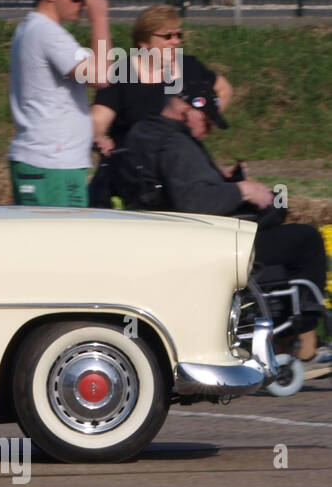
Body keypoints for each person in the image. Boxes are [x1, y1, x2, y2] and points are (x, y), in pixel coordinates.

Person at [123, 80, 328, 362]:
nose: (208, 130)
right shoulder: (177, 144)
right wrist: (242, 189)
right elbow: (194, 202)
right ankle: (301, 338)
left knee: (275, 218)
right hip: (211, 244)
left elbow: (176, 184)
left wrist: (221, 177)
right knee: (306, 239)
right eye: (206, 121)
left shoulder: (143, 133)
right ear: (188, 109)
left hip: (173, 239)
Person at [8, 0, 111, 207]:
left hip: (52, 163)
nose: (82, 5)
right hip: (52, 165)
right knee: (64, 245)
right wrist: (99, 19)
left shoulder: (34, 29)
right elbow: (101, 76)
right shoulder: (47, 33)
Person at [92, 4, 233, 156]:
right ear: (144, 42)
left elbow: (224, 89)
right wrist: (99, 137)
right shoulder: (122, 73)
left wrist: (206, 119)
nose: (176, 41)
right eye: (167, 36)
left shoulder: (189, 67)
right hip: (135, 165)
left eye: (178, 35)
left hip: (181, 162)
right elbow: (98, 118)